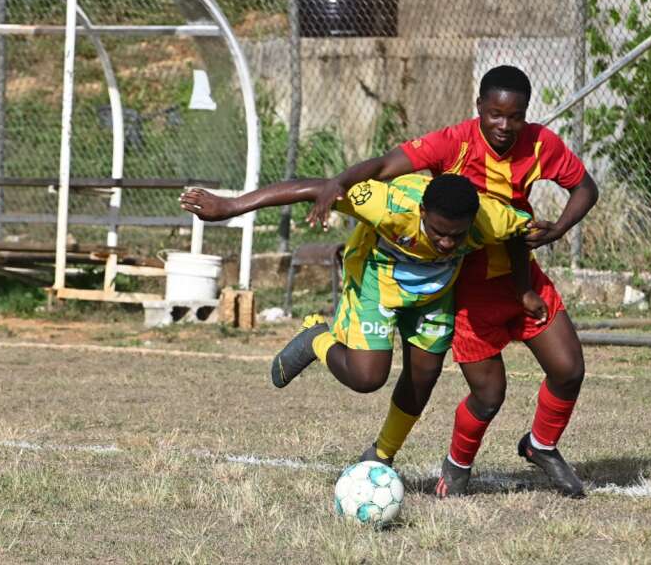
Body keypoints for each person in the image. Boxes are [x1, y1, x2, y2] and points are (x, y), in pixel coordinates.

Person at [306, 65, 599, 498]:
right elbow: (387, 164)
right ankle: (457, 467)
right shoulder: (455, 141)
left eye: (514, 116)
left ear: (526, 114)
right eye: (495, 115)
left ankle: (541, 446)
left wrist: (557, 232)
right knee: (488, 395)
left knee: (569, 369)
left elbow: (585, 189)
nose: (504, 125)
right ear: (479, 108)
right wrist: (338, 182)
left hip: (520, 275)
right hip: (467, 289)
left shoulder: (541, 144)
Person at [181, 174, 540, 459]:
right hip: (377, 282)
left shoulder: (489, 218)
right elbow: (313, 187)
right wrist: (231, 206)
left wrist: (524, 289)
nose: (447, 244)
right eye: (438, 233)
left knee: (423, 378)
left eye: (456, 237)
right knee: (367, 378)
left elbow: (522, 231)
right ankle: (316, 339)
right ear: (421, 214)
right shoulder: (388, 205)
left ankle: (381, 455)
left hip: (434, 297)